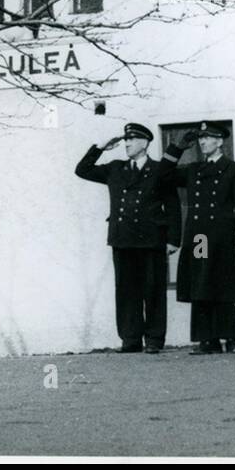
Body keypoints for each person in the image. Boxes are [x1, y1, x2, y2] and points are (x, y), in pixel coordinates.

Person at [75, 122, 181, 353]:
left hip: (151, 239)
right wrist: (100, 147)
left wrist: (174, 239)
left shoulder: (159, 170)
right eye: (125, 140)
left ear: (145, 143)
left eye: (131, 140)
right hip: (122, 240)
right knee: (126, 290)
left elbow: (172, 205)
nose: (127, 144)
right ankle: (130, 339)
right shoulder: (115, 168)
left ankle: (154, 339)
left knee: (153, 289)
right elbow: (82, 170)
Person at [161, 122, 235, 354]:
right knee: (201, 282)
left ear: (220, 141)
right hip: (199, 237)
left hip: (223, 236)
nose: (202, 142)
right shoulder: (193, 169)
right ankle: (205, 339)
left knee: (226, 285)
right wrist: (178, 147)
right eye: (200, 138)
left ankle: (230, 338)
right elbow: (162, 175)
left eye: (208, 137)